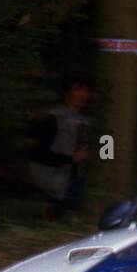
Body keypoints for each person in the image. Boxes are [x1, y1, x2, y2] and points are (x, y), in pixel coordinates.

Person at [28, 73, 92, 217]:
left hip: (76, 182)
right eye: (78, 89)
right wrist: (71, 158)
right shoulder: (52, 117)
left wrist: (103, 154)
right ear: (67, 92)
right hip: (53, 181)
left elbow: (108, 152)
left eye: (86, 91)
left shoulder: (88, 121)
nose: (83, 95)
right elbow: (37, 155)